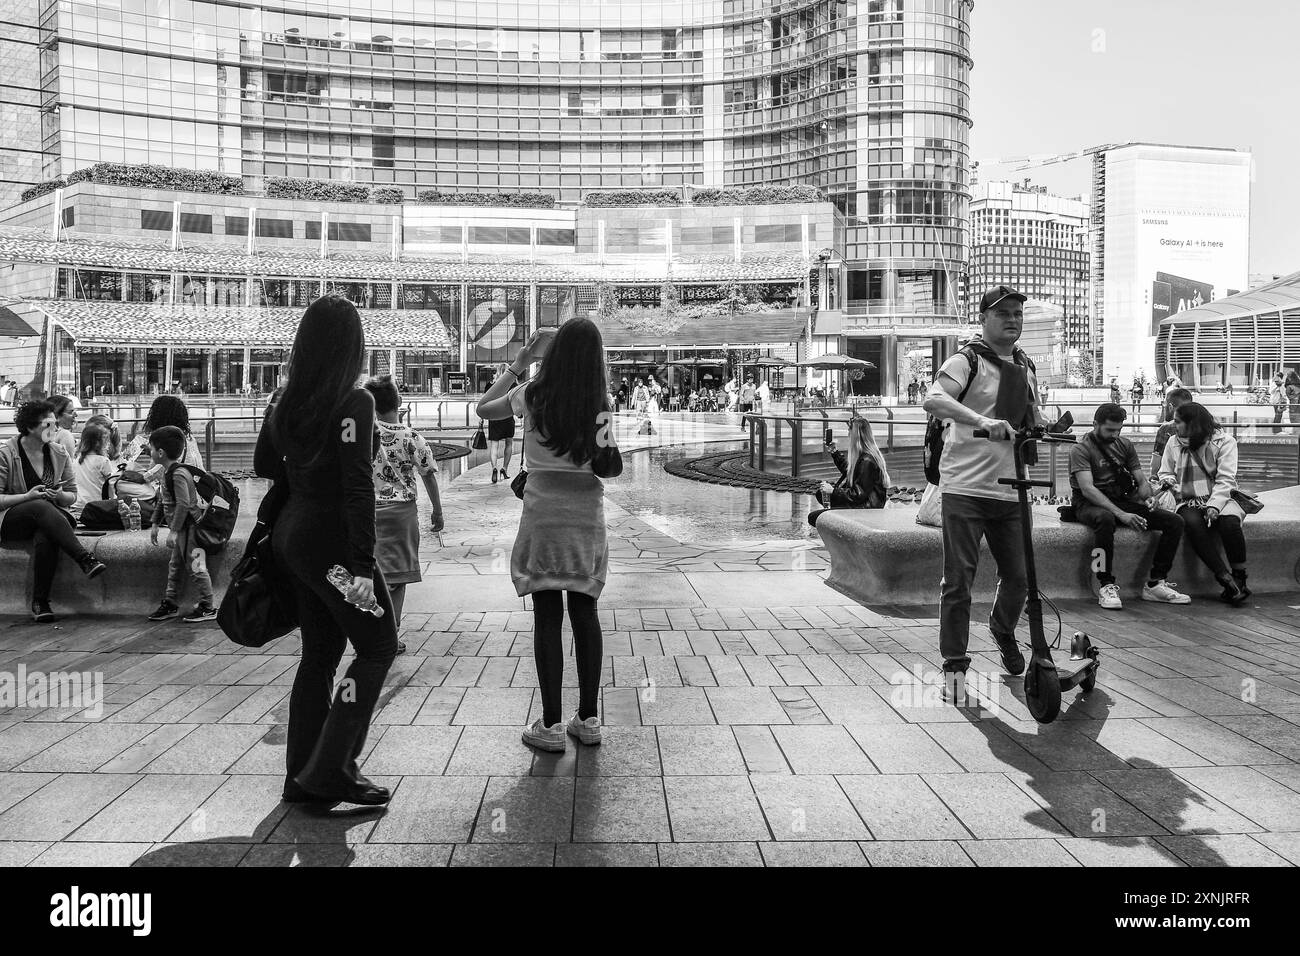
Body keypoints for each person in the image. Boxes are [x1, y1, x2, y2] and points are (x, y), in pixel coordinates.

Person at [253, 294, 399, 806]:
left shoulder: (285, 399)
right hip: (334, 547)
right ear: (350, 347)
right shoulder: (354, 402)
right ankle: (332, 768)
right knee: (378, 645)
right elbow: (359, 487)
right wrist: (361, 565)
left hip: (295, 537)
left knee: (319, 655)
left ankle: (302, 773)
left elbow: (265, 463)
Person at [477, 318, 618, 753]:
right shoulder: (600, 402)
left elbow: (484, 409)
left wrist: (521, 361)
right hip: (584, 519)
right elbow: (606, 465)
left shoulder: (532, 395)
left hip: (542, 516)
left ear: (553, 356)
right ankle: (589, 719)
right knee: (585, 613)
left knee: (547, 617)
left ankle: (552, 724)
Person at [922, 285, 1041, 695]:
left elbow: (1030, 415)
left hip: (1012, 488)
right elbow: (934, 399)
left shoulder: (1026, 366)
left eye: (1018, 314)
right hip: (966, 487)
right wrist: (983, 421)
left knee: (1020, 578)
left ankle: (1002, 628)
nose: (1013, 319)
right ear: (985, 318)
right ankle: (954, 664)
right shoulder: (966, 359)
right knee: (958, 581)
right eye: (1004, 312)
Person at [1070, 403, 1188, 610]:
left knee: (1174, 522)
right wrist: (1122, 514)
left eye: (1119, 430)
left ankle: (1155, 583)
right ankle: (1105, 583)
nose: (1115, 434)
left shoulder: (1124, 445)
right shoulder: (1080, 450)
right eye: (1110, 430)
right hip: (1088, 503)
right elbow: (1087, 489)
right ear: (1095, 424)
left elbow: (1141, 480)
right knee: (1105, 519)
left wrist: (1148, 498)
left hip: (1121, 500)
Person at [0, 400, 108, 622]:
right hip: (12, 519)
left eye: (55, 423)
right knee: (38, 506)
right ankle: (84, 558)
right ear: (31, 427)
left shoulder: (58, 452)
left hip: (51, 519)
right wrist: (27, 497)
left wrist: (59, 496)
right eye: (49, 424)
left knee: (46, 536)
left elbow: (72, 494)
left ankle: (41, 602)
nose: (55, 428)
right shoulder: (6, 454)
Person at [364, 375, 444, 635]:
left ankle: (372, 630)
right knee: (397, 577)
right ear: (399, 402)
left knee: (373, 574)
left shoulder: (366, 435)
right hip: (402, 516)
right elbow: (428, 475)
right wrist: (437, 511)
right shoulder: (412, 437)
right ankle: (391, 633)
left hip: (368, 514)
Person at [1157, 402, 1251, 605]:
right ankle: (1224, 577)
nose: (1175, 426)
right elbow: (1165, 471)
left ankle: (1239, 576)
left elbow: (1226, 479)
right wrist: (1169, 480)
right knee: (1192, 524)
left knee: (1230, 523)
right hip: (1188, 499)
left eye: (1178, 422)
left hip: (1223, 496)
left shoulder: (1225, 442)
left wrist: (1214, 506)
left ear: (1192, 424)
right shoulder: (1173, 442)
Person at [145, 425, 216, 623]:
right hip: (183, 530)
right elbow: (163, 499)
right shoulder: (168, 473)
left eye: (150, 449)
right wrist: (155, 523)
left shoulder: (177, 474)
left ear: (160, 453)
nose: (149, 453)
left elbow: (184, 503)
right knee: (175, 566)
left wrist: (174, 531)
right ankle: (171, 602)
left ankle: (208, 606)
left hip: (191, 530)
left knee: (197, 565)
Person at [808, 417, 890, 527]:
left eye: (849, 433)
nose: (848, 436)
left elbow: (857, 495)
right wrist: (834, 452)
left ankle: (841, 536)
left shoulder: (867, 461)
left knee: (814, 517)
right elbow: (851, 471)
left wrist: (833, 491)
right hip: (862, 504)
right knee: (820, 494)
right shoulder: (865, 456)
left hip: (865, 509)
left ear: (856, 436)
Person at [120, 395, 205, 478]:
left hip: (181, 488)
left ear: (158, 418)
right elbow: (174, 460)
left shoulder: (167, 443)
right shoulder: (189, 439)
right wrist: (152, 453)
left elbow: (154, 475)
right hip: (197, 487)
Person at [71, 422, 117, 513]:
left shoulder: (76, 461)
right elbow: (111, 486)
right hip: (97, 506)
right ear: (98, 443)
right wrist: (114, 502)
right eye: (105, 440)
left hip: (77, 505)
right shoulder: (103, 461)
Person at [1150, 387, 1193, 474]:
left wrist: (1153, 480)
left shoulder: (1166, 429)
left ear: (1170, 407)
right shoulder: (1203, 425)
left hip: (1172, 481)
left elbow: (1156, 464)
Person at [486, 365, 516, 485]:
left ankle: (494, 467)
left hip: (494, 418)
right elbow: (516, 401)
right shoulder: (512, 385)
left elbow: (485, 401)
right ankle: (504, 469)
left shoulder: (490, 385)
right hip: (507, 417)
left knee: (494, 445)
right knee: (509, 443)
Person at [47, 394, 79, 459]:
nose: (76, 415)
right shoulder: (65, 435)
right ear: (57, 416)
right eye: (70, 412)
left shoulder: (44, 436)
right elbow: (68, 466)